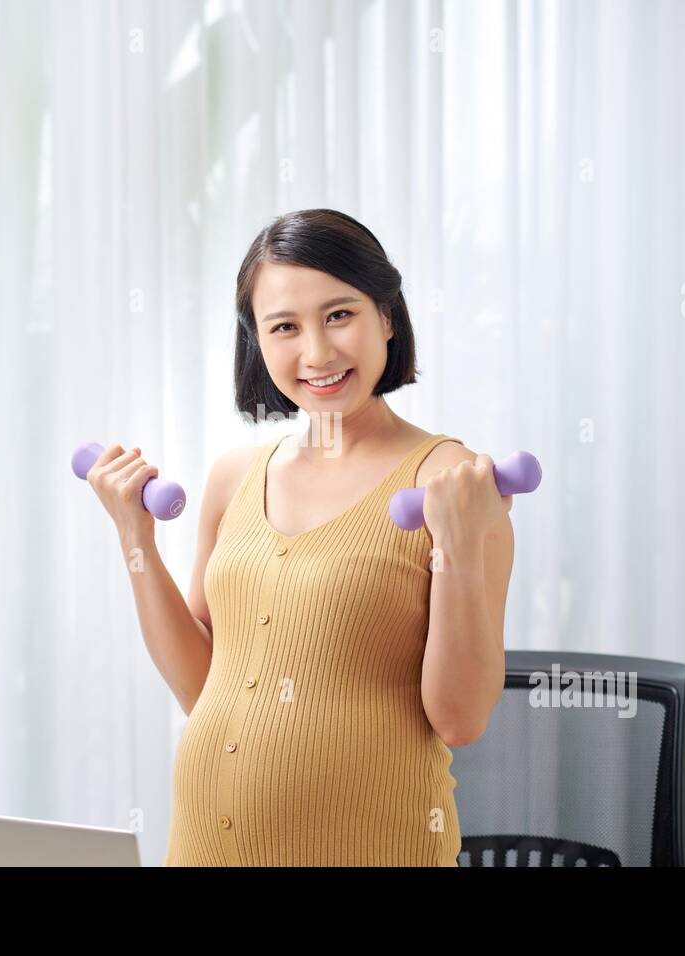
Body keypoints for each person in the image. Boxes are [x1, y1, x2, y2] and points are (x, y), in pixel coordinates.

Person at [87, 208, 514, 865]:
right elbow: (202, 687)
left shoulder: (452, 485)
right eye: (284, 326)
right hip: (204, 848)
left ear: (387, 317)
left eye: (339, 315)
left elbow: (460, 720)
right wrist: (134, 537)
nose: (316, 353)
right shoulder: (234, 478)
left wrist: (456, 548)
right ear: (257, 341)